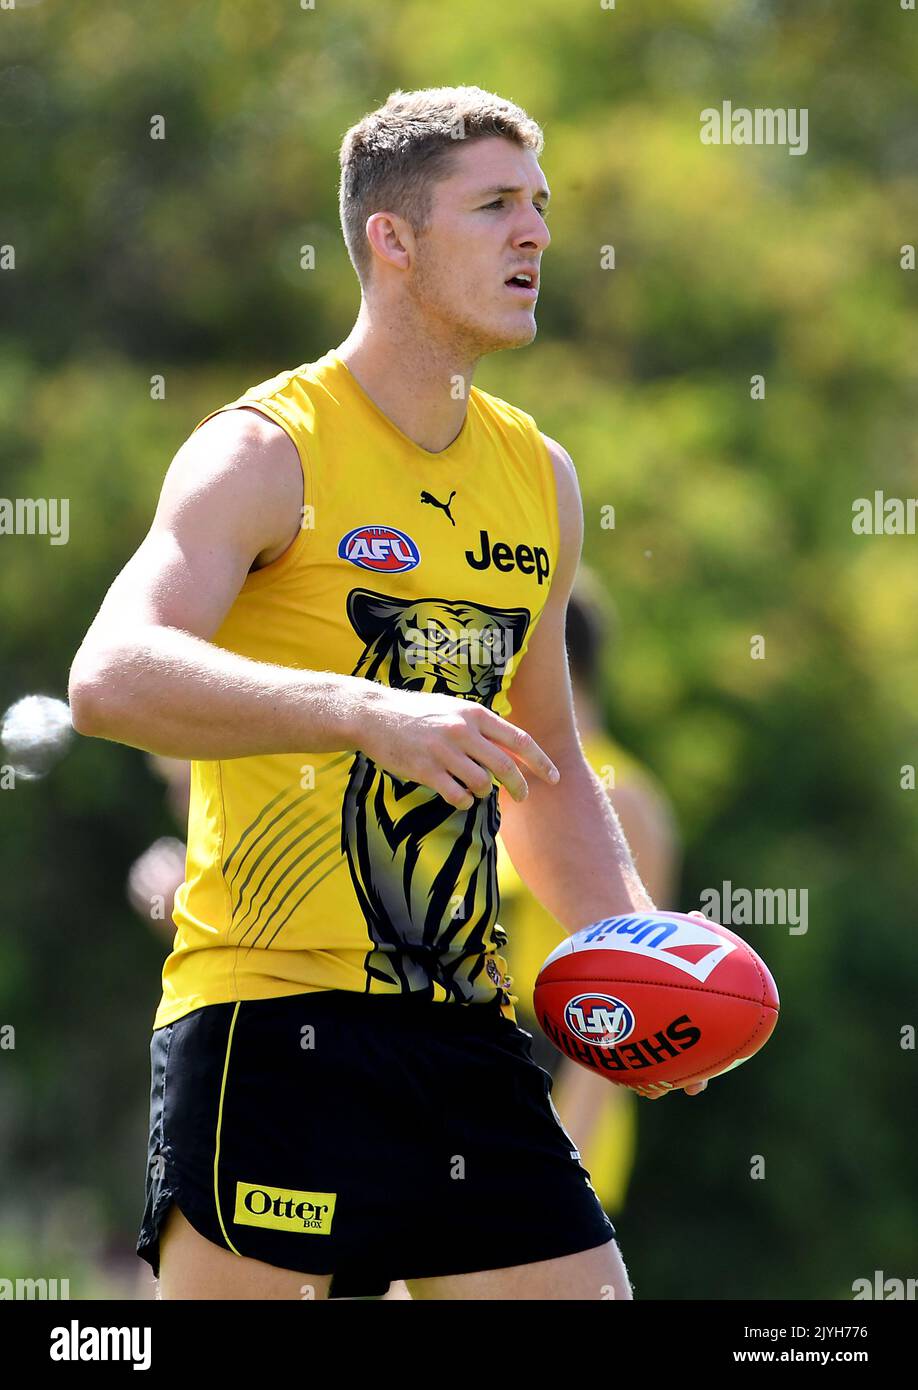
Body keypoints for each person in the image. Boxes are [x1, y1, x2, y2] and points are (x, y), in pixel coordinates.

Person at [69, 84, 707, 1304]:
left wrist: (644, 960)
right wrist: (366, 710)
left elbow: (551, 769)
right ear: (393, 240)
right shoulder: (265, 450)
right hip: (270, 1020)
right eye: (498, 206)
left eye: (543, 207)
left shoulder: (542, 475)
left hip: (467, 1031)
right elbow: (110, 675)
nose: (538, 235)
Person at [496, 568, 681, 1217]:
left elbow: (633, 1002)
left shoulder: (620, 797)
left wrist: (562, 1153)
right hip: (477, 1108)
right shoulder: (510, 782)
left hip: (557, 1120)